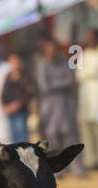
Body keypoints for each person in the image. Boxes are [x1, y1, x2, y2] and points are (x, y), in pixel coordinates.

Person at [36, 38, 83, 176]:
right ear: (45, 52)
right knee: (52, 137)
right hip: (49, 109)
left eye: (54, 50)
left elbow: (71, 81)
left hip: (65, 106)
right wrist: (61, 81)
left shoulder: (66, 64)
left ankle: (77, 168)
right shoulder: (42, 66)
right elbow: (44, 86)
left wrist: (55, 82)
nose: (52, 53)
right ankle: (57, 171)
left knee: (71, 137)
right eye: (49, 50)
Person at [75, 31, 98, 171]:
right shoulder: (82, 54)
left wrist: (90, 74)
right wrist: (93, 73)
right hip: (86, 98)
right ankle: (91, 162)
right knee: (87, 132)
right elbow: (79, 75)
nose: (89, 40)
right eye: (88, 38)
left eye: (92, 38)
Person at [0, 53, 34, 143]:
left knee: (22, 136)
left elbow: (29, 93)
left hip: (21, 111)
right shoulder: (7, 77)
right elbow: (3, 93)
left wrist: (18, 104)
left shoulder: (25, 76)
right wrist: (4, 106)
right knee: (13, 137)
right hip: (10, 112)